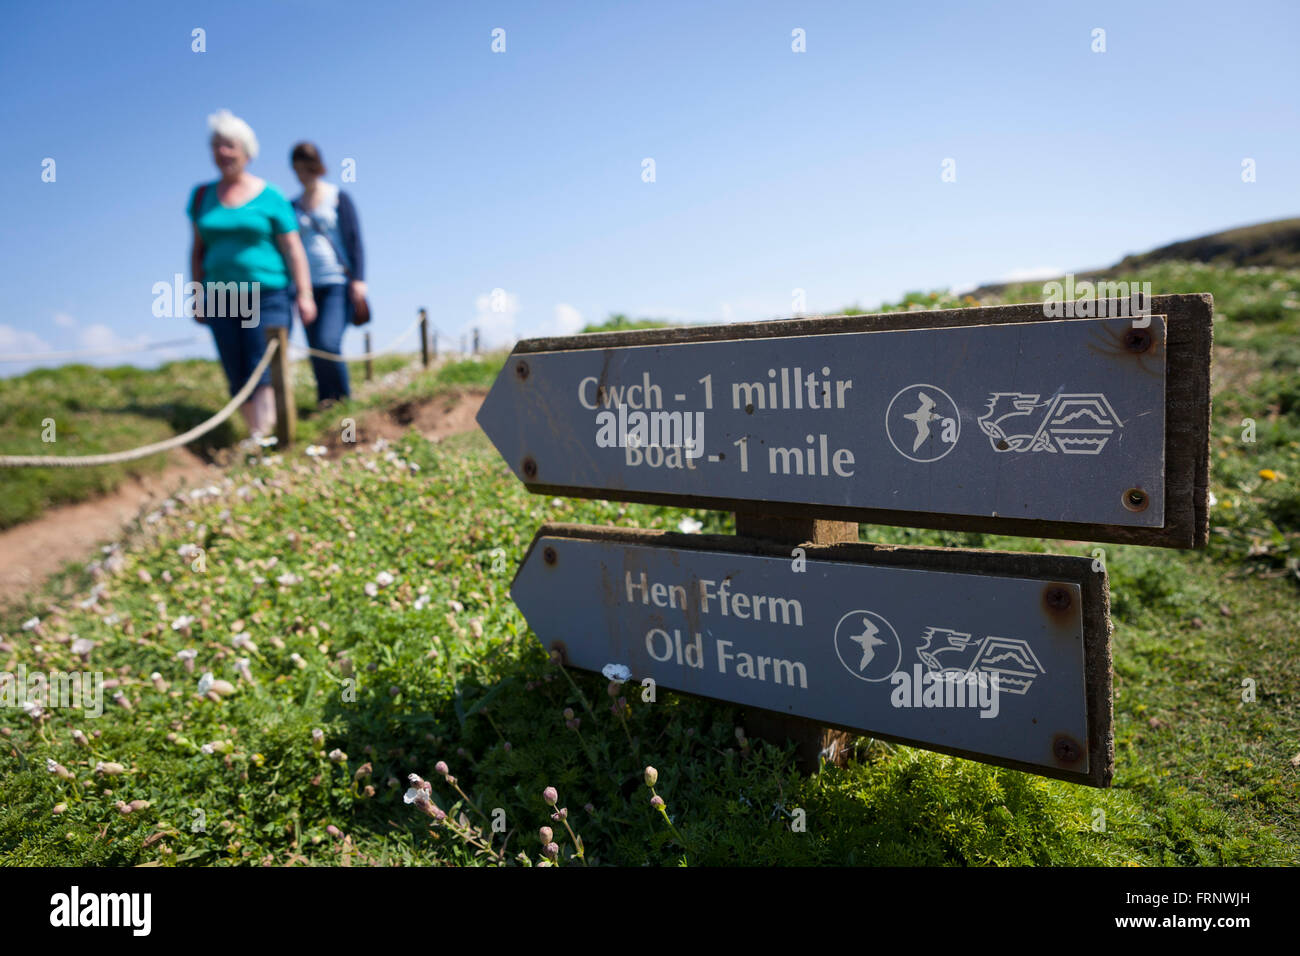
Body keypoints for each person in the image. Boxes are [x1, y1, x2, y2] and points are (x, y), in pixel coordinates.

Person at [188, 109, 316, 437]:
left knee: (262, 364)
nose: (222, 152)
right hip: (219, 295)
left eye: (229, 145)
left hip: (267, 292)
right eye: (216, 145)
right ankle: (256, 435)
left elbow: (293, 248)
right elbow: (198, 250)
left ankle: (263, 437)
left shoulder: (271, 196)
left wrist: (304, 294)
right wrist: (197, 294)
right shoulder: (202, 196)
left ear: (246, 151)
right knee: (236, 368)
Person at [290, 141, 367, 406]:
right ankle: (325, 401)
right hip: (305, 287)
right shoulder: (293, 206)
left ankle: (345, 402)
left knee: (328, 341)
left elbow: (354, 239)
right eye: (299, 169)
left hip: (337, 281)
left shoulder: (338, 197)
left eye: (308, 168)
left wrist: (359, 279)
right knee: (314, 348)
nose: (304, 174)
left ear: (318, 167)